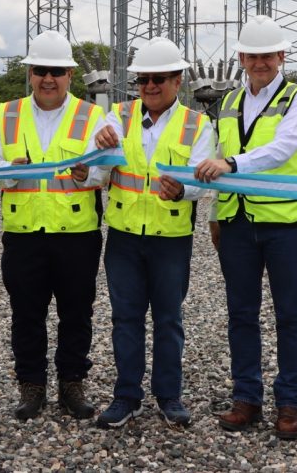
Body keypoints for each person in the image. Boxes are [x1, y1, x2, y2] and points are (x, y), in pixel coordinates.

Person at [194, 15, 297, 440]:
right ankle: (246, 398)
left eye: (267, 55)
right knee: (241, 315)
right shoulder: (227, 102)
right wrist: (214, 213)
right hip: (237, 223)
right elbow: (213, 155)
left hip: (285, 223)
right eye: (252, 55)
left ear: (281, 56)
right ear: (241, 58)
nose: (259, 62)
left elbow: (284, 147)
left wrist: (233, 164)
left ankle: (289, 403)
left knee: (291, 316)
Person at [0, 30, 105, 422]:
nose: (48, 79)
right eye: (40, 70)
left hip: (76, 234)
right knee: (27, 313)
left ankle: (71, 383)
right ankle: (31, 385)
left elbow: (109, 166)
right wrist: (9, 173)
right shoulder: (9, 113)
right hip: (25, 234)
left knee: (76, 312)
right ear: (30, 73)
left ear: (69, 74)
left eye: (56, 71)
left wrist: (89, 174)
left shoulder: (91, 115)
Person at [92, 37, 214, 429]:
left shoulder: (197, 124)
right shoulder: (116, 117)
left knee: (168, 320)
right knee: (125, 319)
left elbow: (201, 179)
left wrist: (183, 190)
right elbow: (98, 172)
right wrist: (95, 155)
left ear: (177, 81)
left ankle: (168, 395)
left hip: (170, 239)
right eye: (144, 80)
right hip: (124, 237)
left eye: (159, 79)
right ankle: (127, 396)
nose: (150, 87)